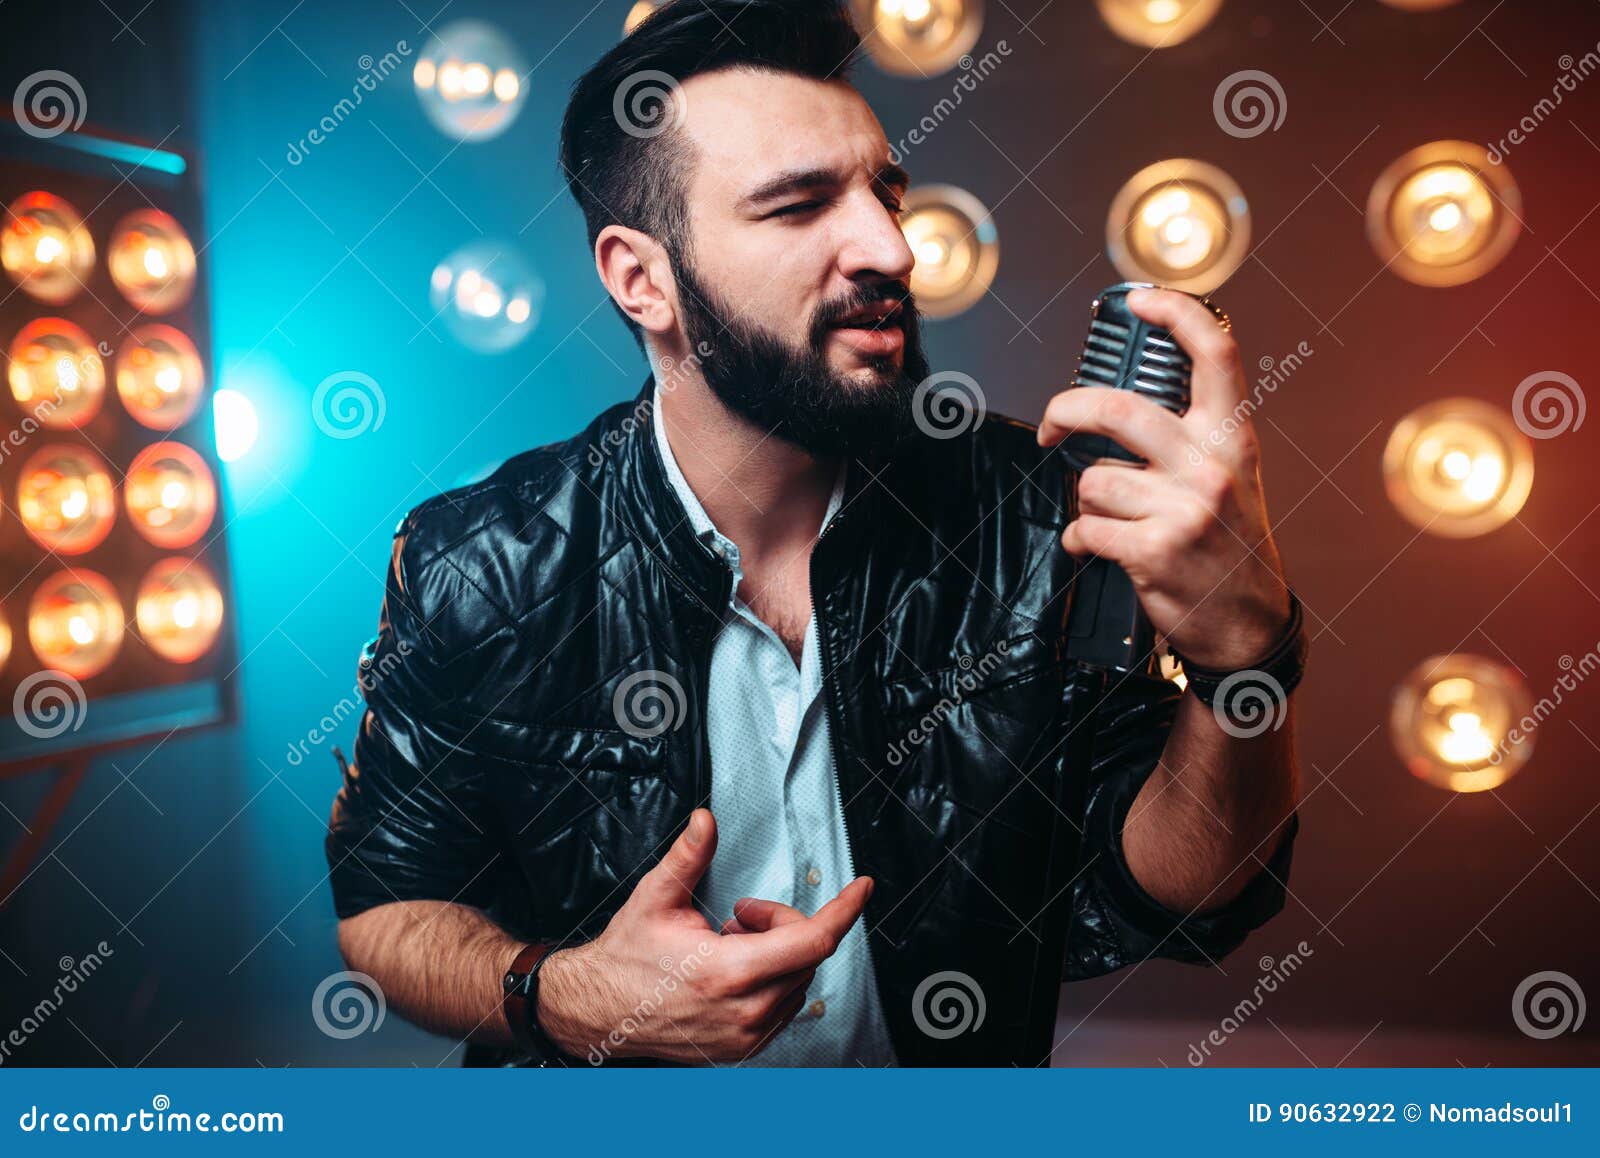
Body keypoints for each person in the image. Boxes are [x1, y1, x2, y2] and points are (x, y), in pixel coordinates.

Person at [325, 0, 1302, 1067]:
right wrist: (564, 995)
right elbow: (387, 911)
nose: (890, 246)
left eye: (884, 192)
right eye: (798, 207)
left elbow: (1183, 892)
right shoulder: (485, 564)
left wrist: (1244, 657)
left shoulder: (1034, 515)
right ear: (639, 278)